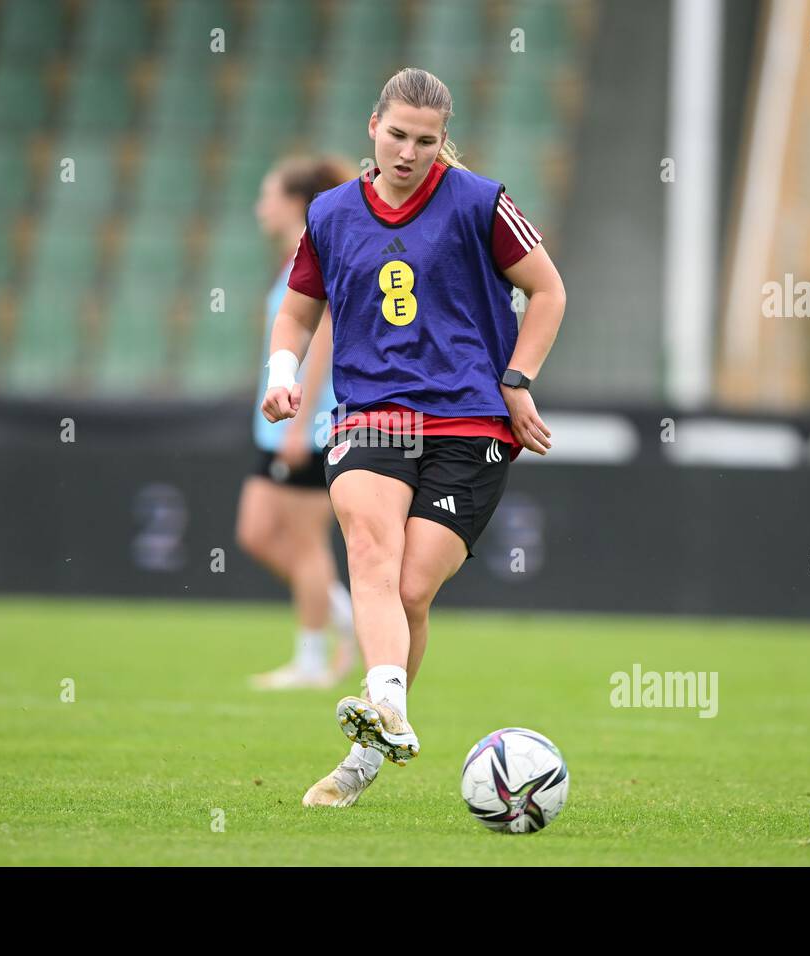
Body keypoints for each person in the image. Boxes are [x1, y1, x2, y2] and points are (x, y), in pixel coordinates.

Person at [261, 67, 568, 807]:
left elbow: (549, 292)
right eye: (397, 135)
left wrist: (518, 380)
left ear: (442, 142)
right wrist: (281, 370)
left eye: (425, 142)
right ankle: (388, 703)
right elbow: (299, 311)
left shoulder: (480, 202)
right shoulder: (331, 215)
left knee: (410, 589)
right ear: (373, 126)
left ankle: (365, 758)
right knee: (370, 550)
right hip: (373, 413)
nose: (408, 152)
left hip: (470, 421)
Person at [239, 155, 359, 690]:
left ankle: (312, 661)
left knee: (307, 543)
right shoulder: (293, 258)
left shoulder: (316, 255)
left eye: (267, 194)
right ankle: (347, 616)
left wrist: (298, 424)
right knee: (257, 532)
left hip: (308, 424)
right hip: (278, 423)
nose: (259, 205)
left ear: (292, 203)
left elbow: (323, 344)